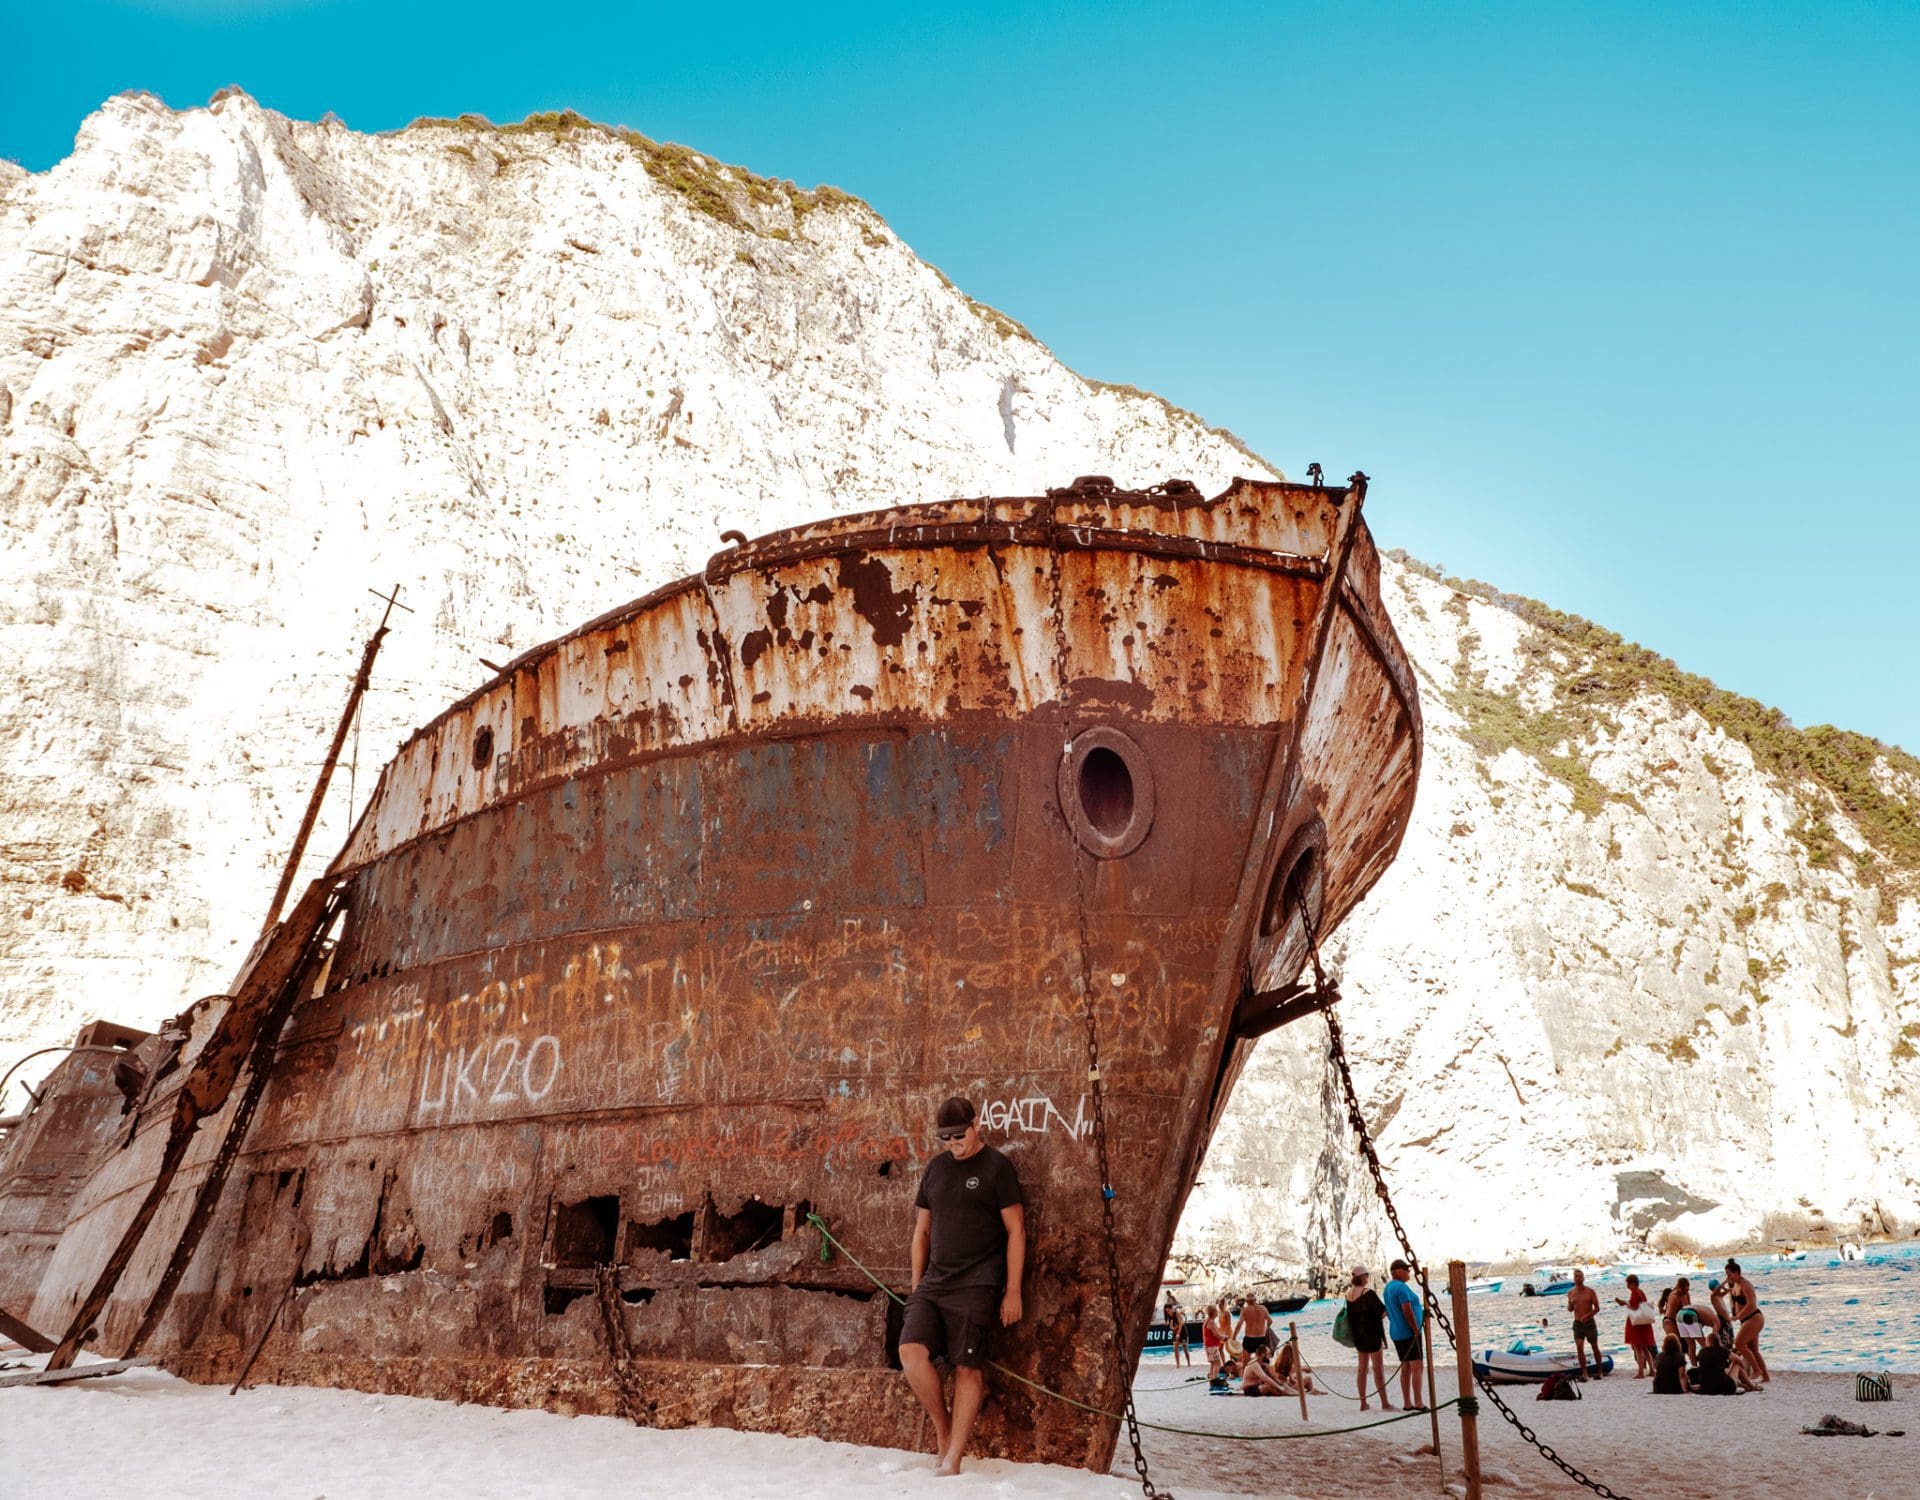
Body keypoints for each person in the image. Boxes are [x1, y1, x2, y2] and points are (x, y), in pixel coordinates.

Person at [897, 1097, 1025, 1477]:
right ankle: (943, 1428)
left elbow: (1016, 1230)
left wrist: (1013, 1290)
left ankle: (953, 1458)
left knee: (968, 1366)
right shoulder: (935, 1169)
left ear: (976, 1124)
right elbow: (922, 1232)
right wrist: (917, 1288)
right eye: (946, 1138)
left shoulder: (997, 1167)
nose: (953, 1143)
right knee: (910, 1351)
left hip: (978, 1282)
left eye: (959, 1135)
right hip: (935, 1282)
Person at [1344, 1267, 1393, 1410]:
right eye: (1367, 1275)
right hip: (1372, 1335)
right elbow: (1382, 1312)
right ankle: (1385, 1403)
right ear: (1363, 1277)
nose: (1368, 1278)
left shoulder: (1348, 1295)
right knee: (1378, 1370)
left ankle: (1363, 1403)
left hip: (1358, 1336)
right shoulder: (1368, 1293)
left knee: (1362, 1370)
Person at [1382, 1258, 1425, 1412]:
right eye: (1406, 1270)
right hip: (1408, 1332)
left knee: (1405, 1366)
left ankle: (1407, 1402)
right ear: (1397, 1271)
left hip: (1396, 1332)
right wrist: (1415, 1328)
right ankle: (1418, 1402)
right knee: (1417, 1366)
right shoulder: (1401, 1288)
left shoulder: (1388, 1288)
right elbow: (1407, 1309)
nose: (1408, 1272)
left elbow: (1389, 1310)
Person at [1723, 1260, 1769, 1383]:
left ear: (1737, 1272)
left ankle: (1756, 1370)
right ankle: (1766, 1377)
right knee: (1753, 1350)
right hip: (1745, 1320)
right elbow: (1733, 1297)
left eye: (1729, 1275)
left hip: (1754, 1318)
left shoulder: (1746, 1285)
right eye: (1726, 1275)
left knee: (1739, 1344)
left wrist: (1737, 1316)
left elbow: (1751, 1305)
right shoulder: (1735, 1285)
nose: (1728, 1278)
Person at [1615, 1273, 1656, 1378]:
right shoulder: (1640, 1291)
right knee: (1645, 1348)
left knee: (1638, 1348)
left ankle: (1641, 1372)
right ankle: (1652, 1370)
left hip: (1637, 1324)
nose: (1627, 1286)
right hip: (1643, 1322)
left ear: (1632, 1283)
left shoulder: (1634, 1292)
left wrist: (1624, 1302)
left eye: (1628, 1284)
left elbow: (1633, 1307)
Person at [1567, 1268, 1603, 1380]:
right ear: (1574, 1279)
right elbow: (1570, 1309)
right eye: (1576, 1276)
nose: (1578, 1278)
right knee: (1579, 1348)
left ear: (1583, 1278)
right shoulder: (1570, 1293)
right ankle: (1585, 1374)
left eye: (1580, 1276)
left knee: (1594, 1347)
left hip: (1589, 1323)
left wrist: (1588, 1315)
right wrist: (1570, 1306)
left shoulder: (1590, 1292)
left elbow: (1597, 1308)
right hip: (1578, 1324)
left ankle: (1600, 1372)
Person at [1232, 1292, 1274, 1362]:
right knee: (1261, 1362)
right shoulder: (1263, 1308)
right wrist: (1265, 1329)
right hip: (1261, 1338)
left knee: (1245, 1363)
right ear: (1255, 1300)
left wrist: (1234, 1337)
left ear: (1246, 1301)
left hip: (1249, 1339)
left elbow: (1239, 1324)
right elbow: (1270, 1321)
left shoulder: (1245, 1310)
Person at [1163, 1290, 1191, 1368]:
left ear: (1171, 1309)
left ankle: (1188, 1363)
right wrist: (1172, 1327)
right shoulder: (1169, 1316)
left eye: (1169, 1311)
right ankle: (1178, 1365)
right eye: (1166, 1311)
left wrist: (1178, 1333)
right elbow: (1171, 1326)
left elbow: (1181, 1324)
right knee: (1175, 1348)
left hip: (1182, 1332)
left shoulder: (1176, 1313)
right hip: (1176, 1332)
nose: (1168, 1312)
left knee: (1185, 1348)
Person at [1201, 1301, 1226, 1380]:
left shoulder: (1207, 1320)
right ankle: (1215, 1379)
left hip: (1208, 1345)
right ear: (1214, 1312)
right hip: (1211, 1346)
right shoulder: (1211, 1322)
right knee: (1217, 1364)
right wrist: (1224, 1338)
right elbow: (1216, 1334)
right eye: (1216, 1310)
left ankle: (1212, 1379)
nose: (1218, 1311)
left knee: (1212, 1364)